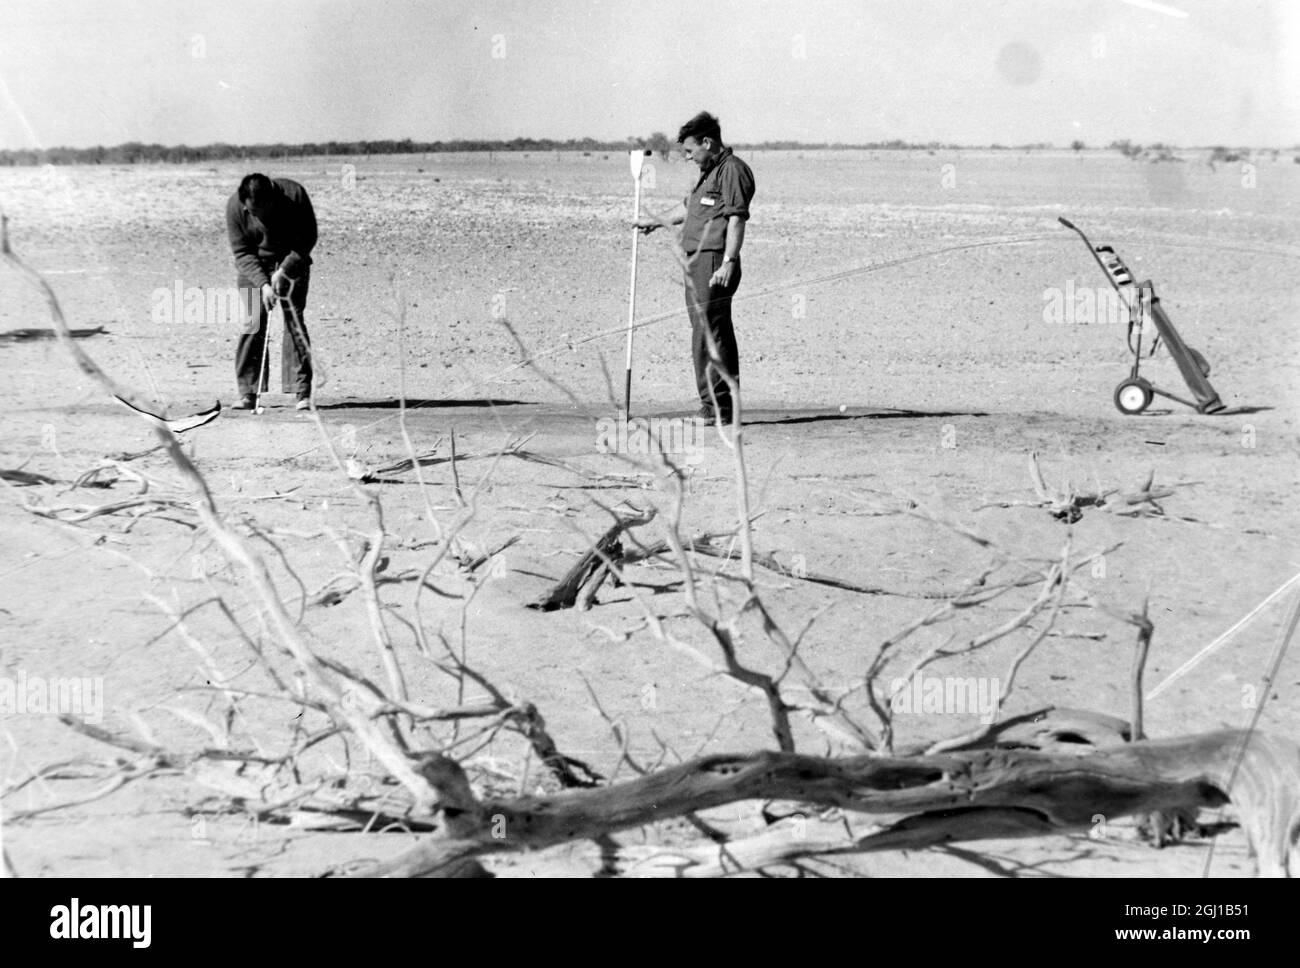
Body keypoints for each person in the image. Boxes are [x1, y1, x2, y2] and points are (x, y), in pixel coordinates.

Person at [635, 111, 755, 423]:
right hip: (697, 260)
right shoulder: (709, 171)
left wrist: (728, 261)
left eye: (690, 151)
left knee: (708, 332)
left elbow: (736, 219)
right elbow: (688, 208)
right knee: (707, 330)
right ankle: (720, 405)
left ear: (707, 142)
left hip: (715, 259)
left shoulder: (732, 170)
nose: (689, 157)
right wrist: (654, 221)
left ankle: (717, 408)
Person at [226, 173, 318, 410]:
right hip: (256, 264)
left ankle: (301, 392)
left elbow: (307, 238)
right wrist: (264, 284)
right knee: (254, 321)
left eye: (260, 211)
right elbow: (242, 253)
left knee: (293, 322)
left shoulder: (294, 194)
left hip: (292, 260)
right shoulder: (235, 207)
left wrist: (285, 269)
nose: (256, 216)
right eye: (251, 212)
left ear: (271, 200)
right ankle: (248, 392)